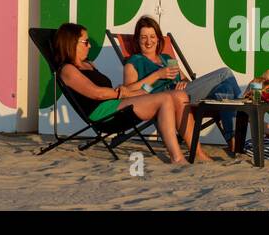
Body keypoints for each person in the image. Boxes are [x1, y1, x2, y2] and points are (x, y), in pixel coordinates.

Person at [53, 22, 188, 166]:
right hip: (104, 113)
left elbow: (127, 90)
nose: (90, 46)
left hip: (114, 103)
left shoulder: (89, 64)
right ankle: (177, 158)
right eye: (85, 42)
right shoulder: (68, 70)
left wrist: (136, 91)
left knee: (165, 96)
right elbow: (97, 94)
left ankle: (184, 154)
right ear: (71, 43)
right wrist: (123, 94)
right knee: (165, 98)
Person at [122, 15, 245, 157]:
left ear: (158, 38)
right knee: (225, 72)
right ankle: (248, 117)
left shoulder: (166, 58)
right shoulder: (134, 62)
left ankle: (232, 140)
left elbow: (185, 79)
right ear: (137, 39)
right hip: (167, 99)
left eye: (152, 36)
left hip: (185, 93)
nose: (149, 41)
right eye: (143, 37)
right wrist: (157, 75)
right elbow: (129, 92)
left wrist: (183, 83)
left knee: (226, 90)